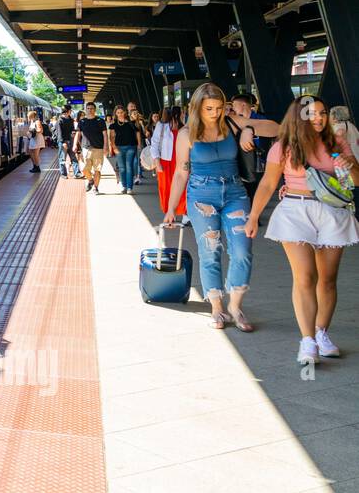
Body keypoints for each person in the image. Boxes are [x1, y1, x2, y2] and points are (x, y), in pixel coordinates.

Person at [247, 96, 359, 365]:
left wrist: (349, 165)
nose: (319, 118)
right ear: (299, 117)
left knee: (328, 279)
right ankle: (307, 340)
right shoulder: (283, 147)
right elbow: (268, 184)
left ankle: (322, 334)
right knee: (305, 277)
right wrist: (253, 217)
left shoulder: (337, 142)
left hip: (332, 212)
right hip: (296, 211)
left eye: (323, 113)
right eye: (313, 113)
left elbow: (355, 180)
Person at [163, 83, 277, 331]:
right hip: (202, 195)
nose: (215, 113)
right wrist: (172, 208)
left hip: (235, 192)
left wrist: (247, 127)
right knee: (210, 250)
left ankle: (235, 306)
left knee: (242, 250)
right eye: (209, 109)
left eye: (218, 107)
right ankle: (217, 307)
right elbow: (182, 173)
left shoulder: (232, 122)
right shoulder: (187, 134)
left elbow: (274, 128)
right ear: (197, 108)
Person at [151, 106, 187, 220]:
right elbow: (154, 144)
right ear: (176, 114)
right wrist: (157, 162)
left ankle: (184, 212)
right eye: (181, 112)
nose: (183, 114)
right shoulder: (161, 126)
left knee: (183, 186)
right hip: (165, 161)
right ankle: (170, 212)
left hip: (181, 160)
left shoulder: (185, 127)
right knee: (166, 187)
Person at [108, 105, 142, 194]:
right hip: (119, 148)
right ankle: (124, 186)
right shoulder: (113, 125)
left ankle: (129, 187)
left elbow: (137, 132)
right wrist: (114, 147)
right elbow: (111, 137)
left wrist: (139, 144)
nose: (120, 114)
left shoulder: (131, 122)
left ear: (125, 112)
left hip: (131, 146)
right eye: (118, 113)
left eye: (121, 112)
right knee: (122, 168)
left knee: (129, 167)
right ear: (115, 114)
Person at [76, 102, 108, 193]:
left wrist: (106, 146)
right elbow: (78, 134)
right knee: (84, 169)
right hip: (86, 148)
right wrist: (75, 144)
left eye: (92, 108)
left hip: (98, 148)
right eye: (88, 108)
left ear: (95, 109)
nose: (90, 110)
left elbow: (105, 134)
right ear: (86, 110)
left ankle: (96, 188)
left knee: (97, 169)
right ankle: (90, 180)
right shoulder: (82, 121)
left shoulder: (100, 121)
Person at [56, 105, 80, 179]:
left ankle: (77, 173)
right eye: (70, 110)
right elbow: (59, 133)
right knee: (62, 159)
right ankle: (63, 174)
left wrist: (73, 133)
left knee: (73, 158)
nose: (71, 112)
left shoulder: (70, 119)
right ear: (68, 111)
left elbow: (72, 129)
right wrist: (63, 142)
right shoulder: (59, 121)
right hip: (63, 142)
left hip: (71, 140)